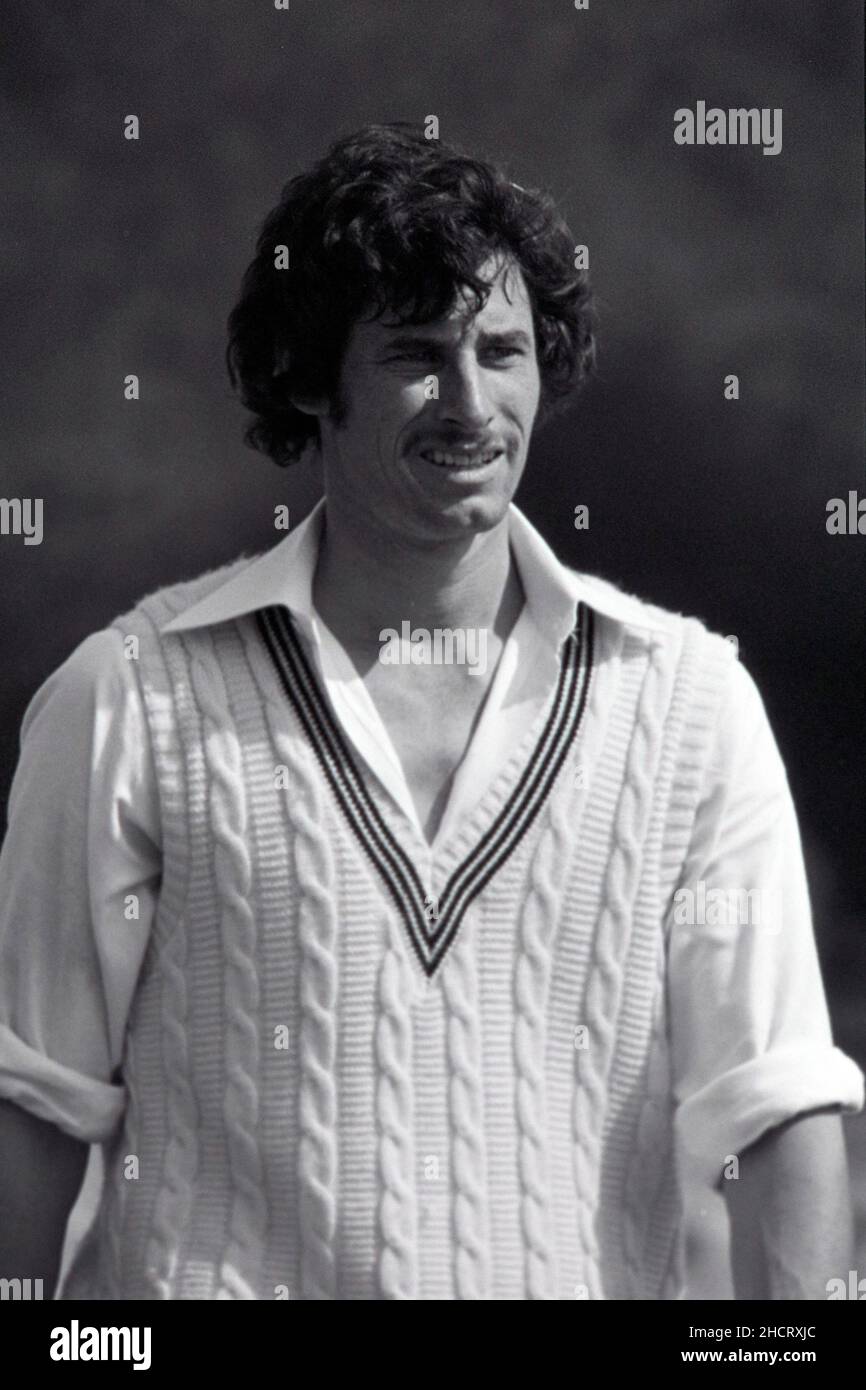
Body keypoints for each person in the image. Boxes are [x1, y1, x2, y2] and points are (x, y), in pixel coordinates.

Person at [0, 123, 861, 1301]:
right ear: (308, 380)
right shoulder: (127, 698)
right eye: (416, 353)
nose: (470, 403)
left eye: (501, 352)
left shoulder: (686, 700)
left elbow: (774, 1106)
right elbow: (32, 1106)